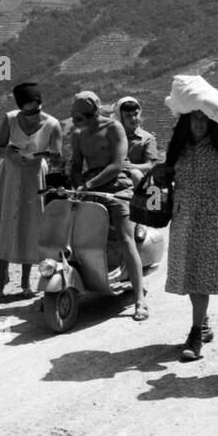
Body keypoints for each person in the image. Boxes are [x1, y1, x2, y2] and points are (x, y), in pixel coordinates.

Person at [156, 104, 218, 359]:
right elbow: (166, 177)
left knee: (201, 274)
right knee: (189, 274)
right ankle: (204, 320)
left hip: (209, 217)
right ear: (186, 121)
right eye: (193, 119)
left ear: (211, 121)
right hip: (183, 216)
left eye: (203, 119)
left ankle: (196, 333)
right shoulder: (177, 145)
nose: (198, 124)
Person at [64, 91, 148, 321]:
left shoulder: (113, 128)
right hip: (90, 190)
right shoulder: (78, 134)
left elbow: (117, 163)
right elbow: (75, 165)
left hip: (118, 188)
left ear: (93, 114)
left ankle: (139, 298)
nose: (74, 122)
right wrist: (79, 185)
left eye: (78, 118)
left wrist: (89, 184)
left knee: (125, 238)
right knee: (75, 236)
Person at [0, 81, 62, 297]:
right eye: (27, 113)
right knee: (7, 221)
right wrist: (9, 152)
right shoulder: (10, 119)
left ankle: (25, 282)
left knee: (30, 224)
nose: (33, 116)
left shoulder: (52, 124)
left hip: (35, 176)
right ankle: (1, 279)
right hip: (11, 174)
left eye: (36, 111)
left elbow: (59, 158)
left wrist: (46, 154)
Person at [115, 96, 160, 188]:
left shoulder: (147, 138)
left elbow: (150, 165)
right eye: (128, 115)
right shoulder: (112, 136)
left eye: (136, 114)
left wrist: (130, 166)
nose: (133, 118)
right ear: (121, 116)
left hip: (138, 180)